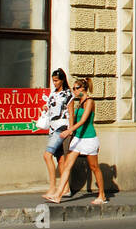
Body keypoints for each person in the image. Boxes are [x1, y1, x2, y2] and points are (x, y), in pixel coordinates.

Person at [52, 77, 106, 204]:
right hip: (78, 138)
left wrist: (69, 131)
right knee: (67, 165)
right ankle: (58, 195)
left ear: (83, 88)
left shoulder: (89, 102)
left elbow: (83, 121)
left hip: (89, 138)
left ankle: (102, 195)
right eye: (73, 89)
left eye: (76, 89)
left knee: (94, 167)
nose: (74, 91)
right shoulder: (79, 102)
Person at [40, 69, 74, 203]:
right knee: (60, 158)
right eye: (53, 80)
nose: (54, 83)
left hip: (62, 127)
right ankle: (66, 188)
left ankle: (53, 187)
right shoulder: (53, 93)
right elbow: (51, 108)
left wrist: (71, 129)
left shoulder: (68, 94)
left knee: (47, 155)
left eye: (56, 80)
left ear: (62, 80)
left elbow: (70, 112)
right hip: (52, 127)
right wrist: (46, 109)